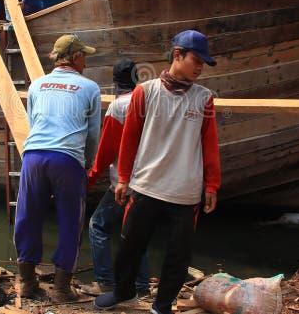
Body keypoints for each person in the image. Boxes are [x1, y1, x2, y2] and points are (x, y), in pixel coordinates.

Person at [94, 30, 221, 314]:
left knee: (178, 255)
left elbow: (209, 144)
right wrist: (123, 179)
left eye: (204, 63)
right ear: (177, 55)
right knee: (130, 245)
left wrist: (212, 184)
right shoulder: (146, 91)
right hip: (146, 185)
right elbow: (129, 139)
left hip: (185, 192)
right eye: (196, 60)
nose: (200, 67)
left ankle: (162, 304)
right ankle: (123, 290)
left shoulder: (204, 98)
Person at [14, 34, 102, 302]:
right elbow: (93, 134)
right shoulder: (90, 88)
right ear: (75, 57)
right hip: (67, 159)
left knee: (27, 217)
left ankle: (28, 283)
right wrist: (87, 164)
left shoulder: (37, 85)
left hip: (33, 156)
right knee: (70, 222)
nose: (86, 62)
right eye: (84, 56)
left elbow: (33, 123)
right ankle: (62, 289)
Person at [86, 58, 151, 296]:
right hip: (148, 182)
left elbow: (106, 151)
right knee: (137, 232)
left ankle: (105, 281)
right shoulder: (149, 102)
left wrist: (90, 179)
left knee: (98, 226)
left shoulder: (118, 107)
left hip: (123, 184)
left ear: (115, 83)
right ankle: (142, 286)